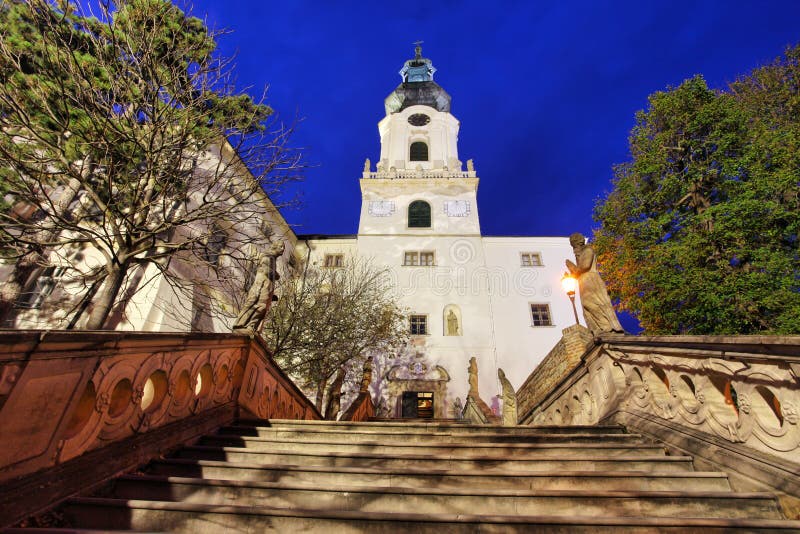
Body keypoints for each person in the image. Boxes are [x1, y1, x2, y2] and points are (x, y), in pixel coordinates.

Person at [565, 232, 624, 335]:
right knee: (587, 306)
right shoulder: (581, 254)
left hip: (590, 280)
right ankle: (598, 329)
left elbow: (585, 266)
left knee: (594, 303)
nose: (573, 248)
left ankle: (607, 327)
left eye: (573, 244)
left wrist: (572, 267)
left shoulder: (588, 250)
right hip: (583, 282)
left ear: (578, 242)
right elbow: (578, 272)